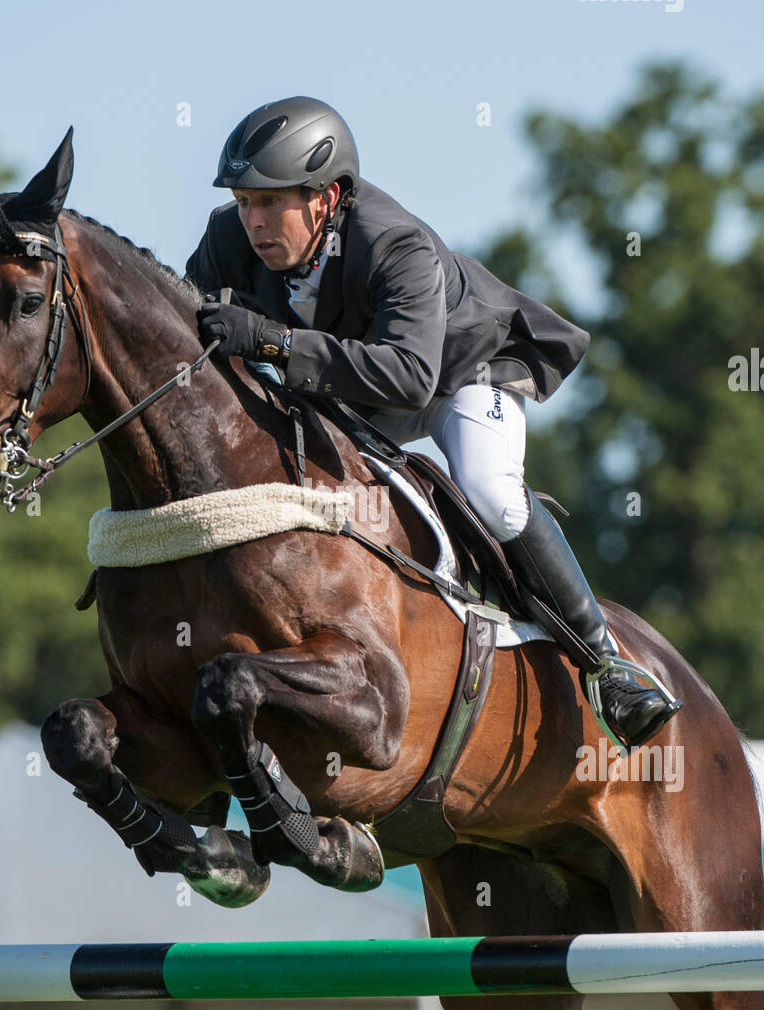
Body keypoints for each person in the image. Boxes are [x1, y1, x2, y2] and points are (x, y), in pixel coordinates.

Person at [185, 96, 681, 749]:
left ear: (328, 198)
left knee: (491, 494)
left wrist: (275, 343)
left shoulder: (396, 245)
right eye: (246, 201)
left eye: (271, 202)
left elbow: (409, 376)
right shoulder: (232, 238)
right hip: (352, 388)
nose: (253, 221)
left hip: (459, 375)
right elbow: (190, 324)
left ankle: (607, 664)